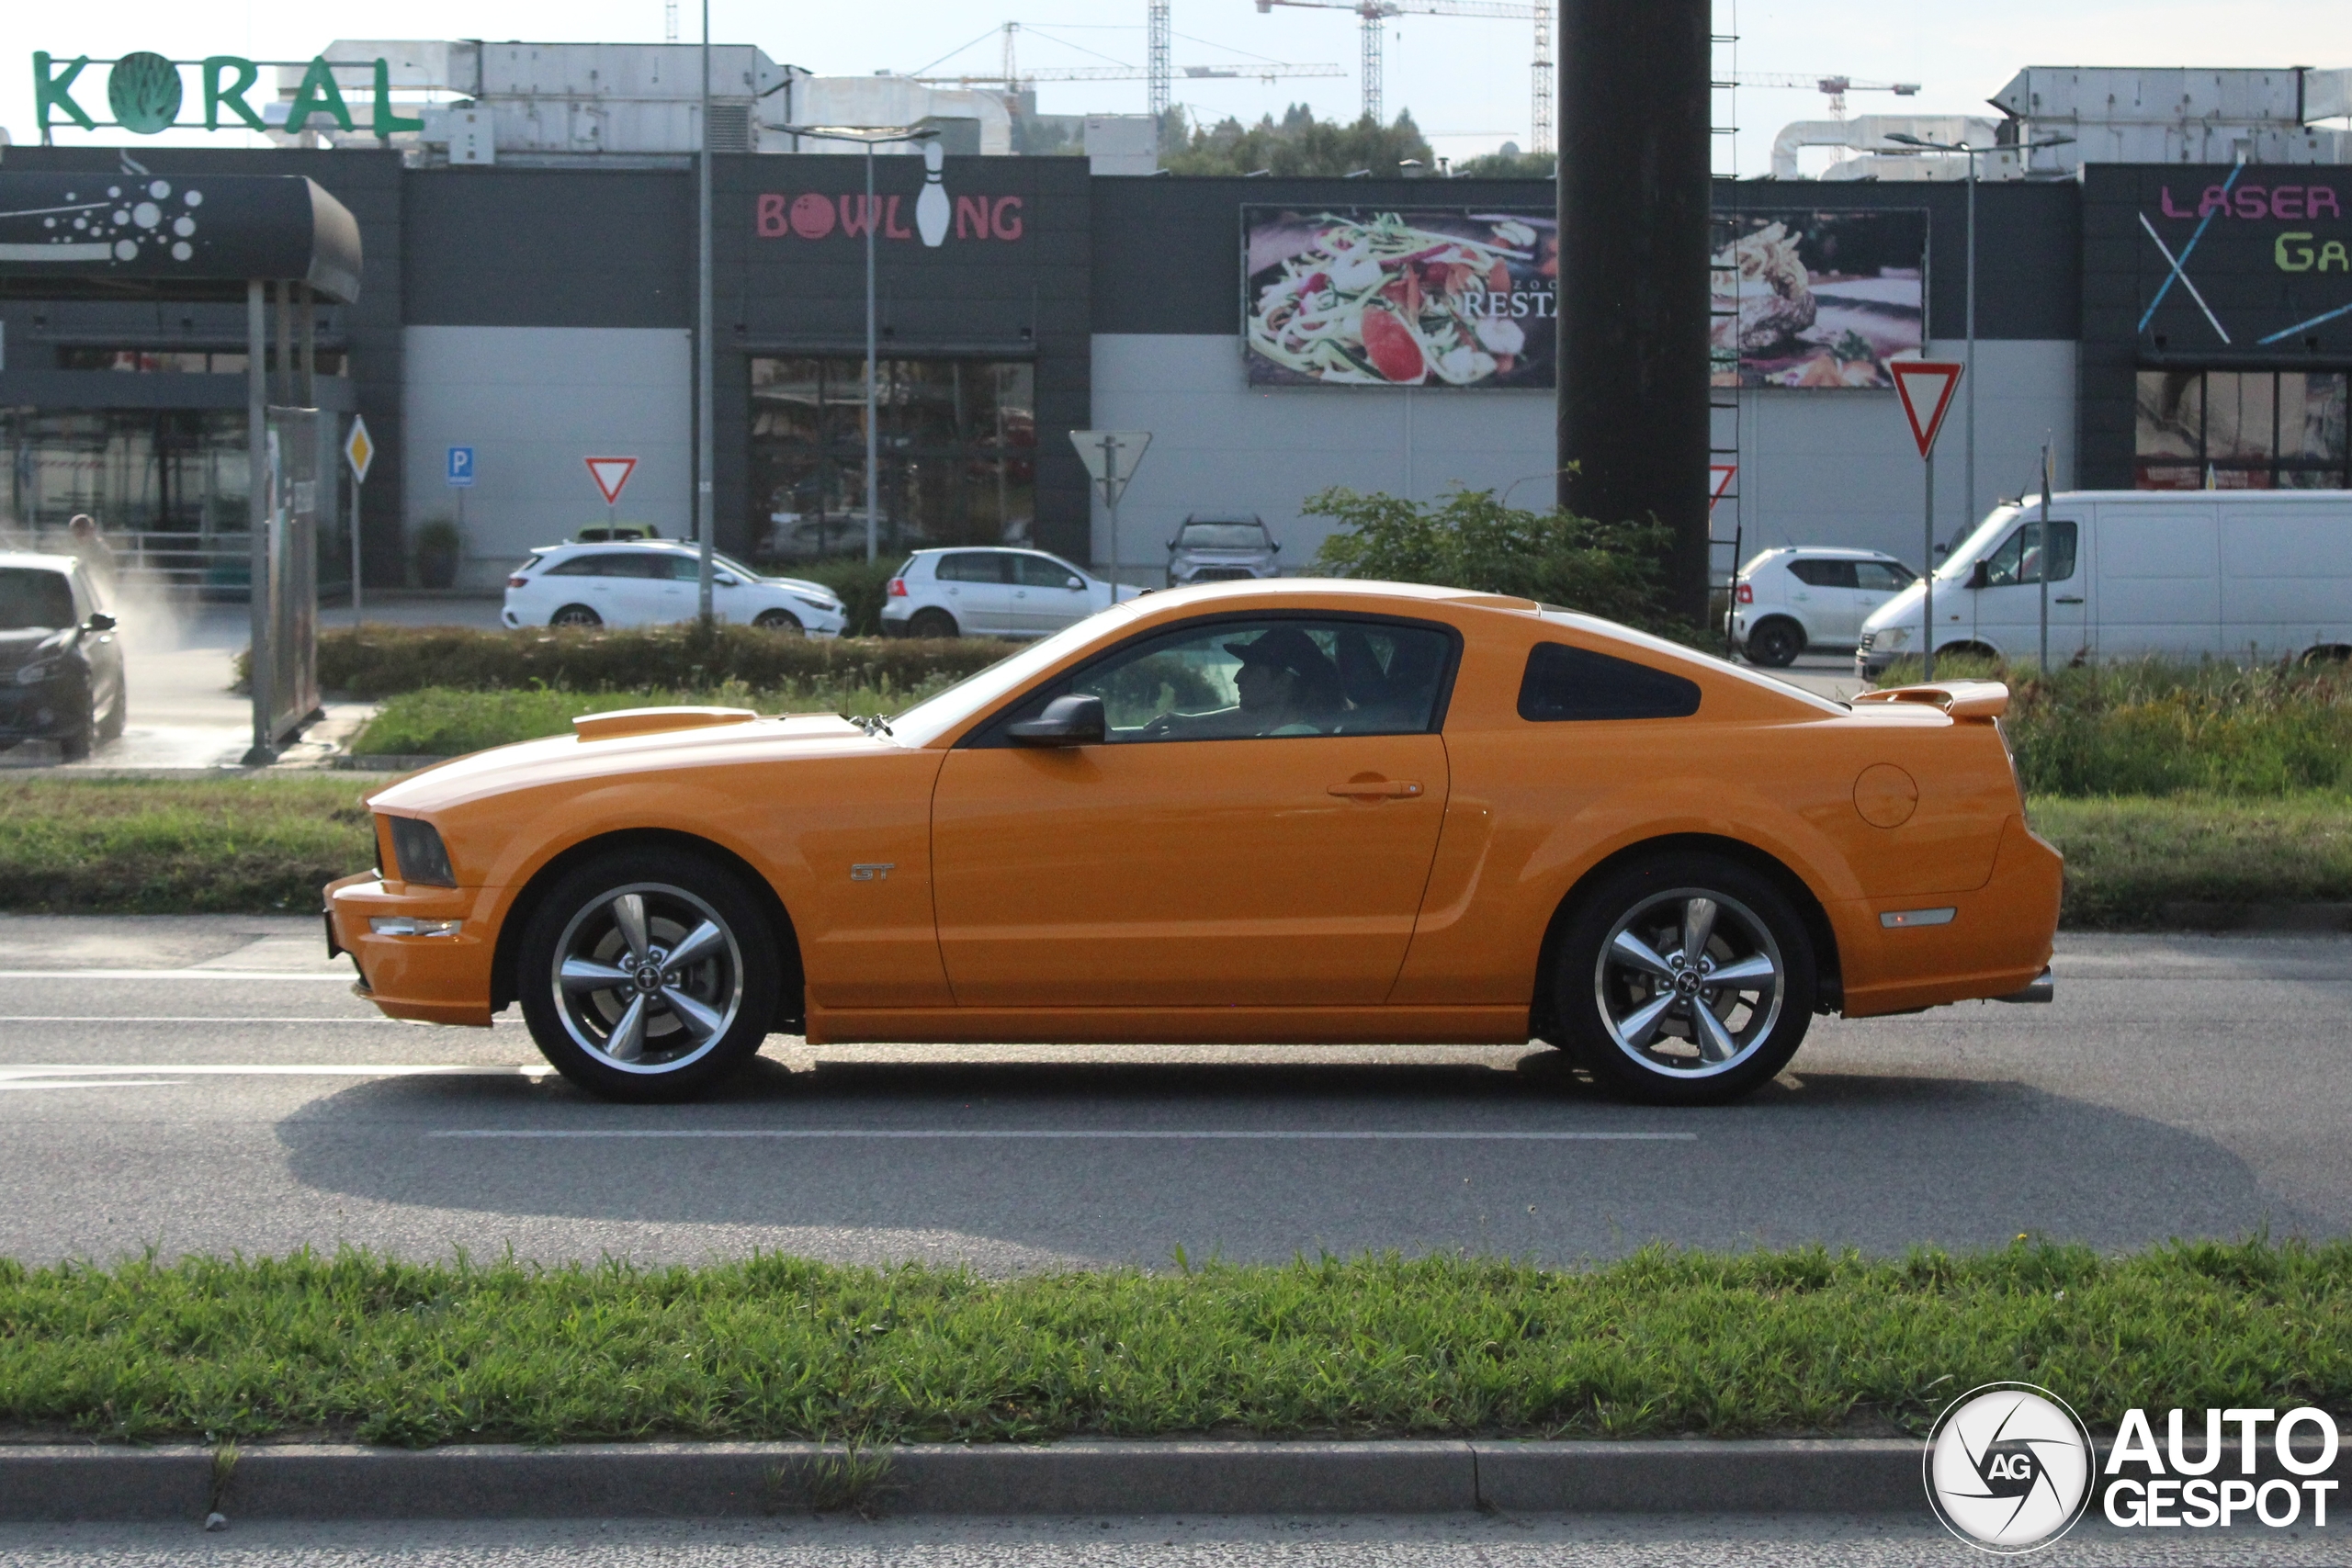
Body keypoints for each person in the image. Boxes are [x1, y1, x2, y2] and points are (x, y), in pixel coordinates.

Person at [1136, 625, 1346, 739]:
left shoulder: (1289, 740)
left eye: (1252, 668)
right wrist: (1190, 724)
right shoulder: (1291, 729)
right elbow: (1247, 720)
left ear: (1284, 681)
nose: (1238, 677)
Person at [65, 514, 119, 603]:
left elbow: (109, 576)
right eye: (77, 531)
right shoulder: (72, 549)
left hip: (97, 594)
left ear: (92, 530)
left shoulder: (100, 551)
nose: (80, 534)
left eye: (83, 530)